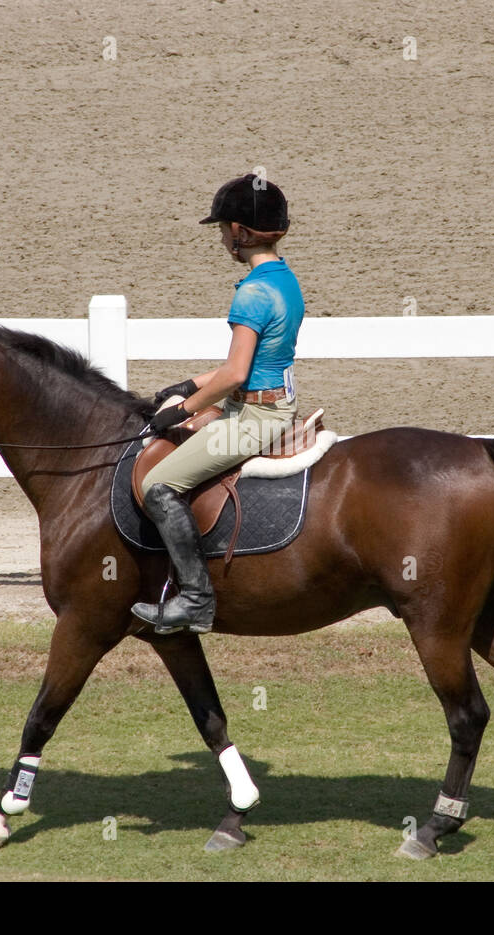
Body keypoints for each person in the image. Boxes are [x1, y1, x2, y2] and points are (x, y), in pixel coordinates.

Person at [131, 174, 305, 635]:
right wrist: (188, 383)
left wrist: (181, 410)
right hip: (275, 402)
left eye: (224, 229)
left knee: (159, 484)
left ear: (241, 233)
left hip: (254, 416)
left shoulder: (251, 292)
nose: (222, 238)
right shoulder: (285, 280)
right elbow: (253, 362)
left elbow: (235, 374)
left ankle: (195, 600)